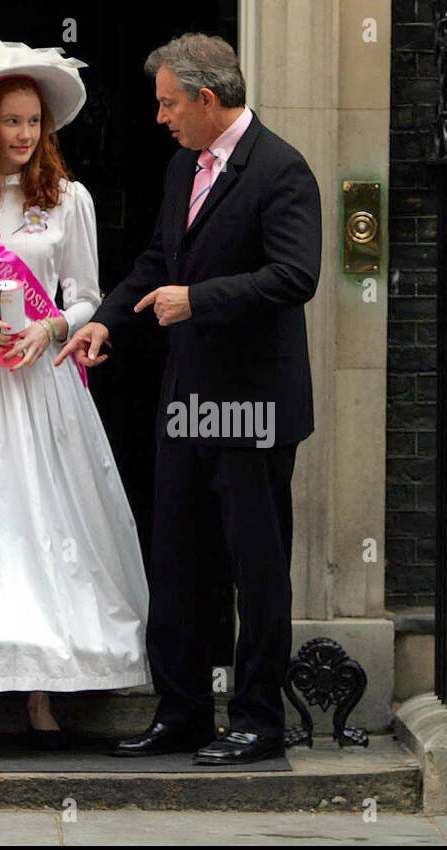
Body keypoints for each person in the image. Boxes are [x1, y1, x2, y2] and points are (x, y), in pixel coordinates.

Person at [57, 33, 322, 766]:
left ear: (208, 100)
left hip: (255, 408)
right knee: (179, 560)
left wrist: (197, 301)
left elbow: (296, 276)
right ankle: (183, 713)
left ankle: (259, 721)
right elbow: (156, 260)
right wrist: (107, 319)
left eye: (170, 103)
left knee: (255, 568)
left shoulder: (282, 169)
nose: (160, 117)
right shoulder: (184, 167)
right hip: (185, 403)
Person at [0, 40, 150, 750]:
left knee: (40, 526)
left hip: (41, 383)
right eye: (11, 121)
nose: (24, 134)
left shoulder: (69, 199)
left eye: (34, 122)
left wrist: (48, 329)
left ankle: (44, 696)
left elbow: (88, 298)